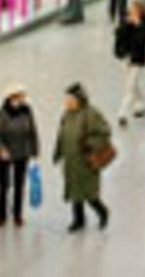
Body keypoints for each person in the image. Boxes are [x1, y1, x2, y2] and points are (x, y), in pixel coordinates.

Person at [51, 83, 112, 231]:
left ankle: (103, 212)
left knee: (89, 193)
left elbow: (105, 132)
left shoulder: (91, 114)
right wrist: (57, 153)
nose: (67, 102)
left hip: (86, 162)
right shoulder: (67, 114)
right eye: (66, 99)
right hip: (71, 162)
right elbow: (61, 135)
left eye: (70, 100)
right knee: (75, 193)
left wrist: (90, 144)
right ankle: (79, 220)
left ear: (79, 100)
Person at [0, 85, 38, 229]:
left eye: (23, 96)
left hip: (22, 152)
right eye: (20, 96)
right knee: (3, 185)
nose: (23, 99)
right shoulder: (0, 114)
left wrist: (34, 151)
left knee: (19, 185)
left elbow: (32, 132)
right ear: (11, 97)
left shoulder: (27, 111)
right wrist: (1, 149)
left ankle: (17, 215)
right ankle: (1, 215)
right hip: (4, 154)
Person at [114, 0, 145, 126]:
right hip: (126, 59)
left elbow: (142, 40)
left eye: (135, 10)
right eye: (131, 9)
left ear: (140, 12)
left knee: (130, 87)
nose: (132, 12)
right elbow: (118, 35)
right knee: (133, 84)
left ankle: (122, 113)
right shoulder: (125, 21)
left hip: (137, 60)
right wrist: (126, 24)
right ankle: (140, 104)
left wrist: (138, 25)